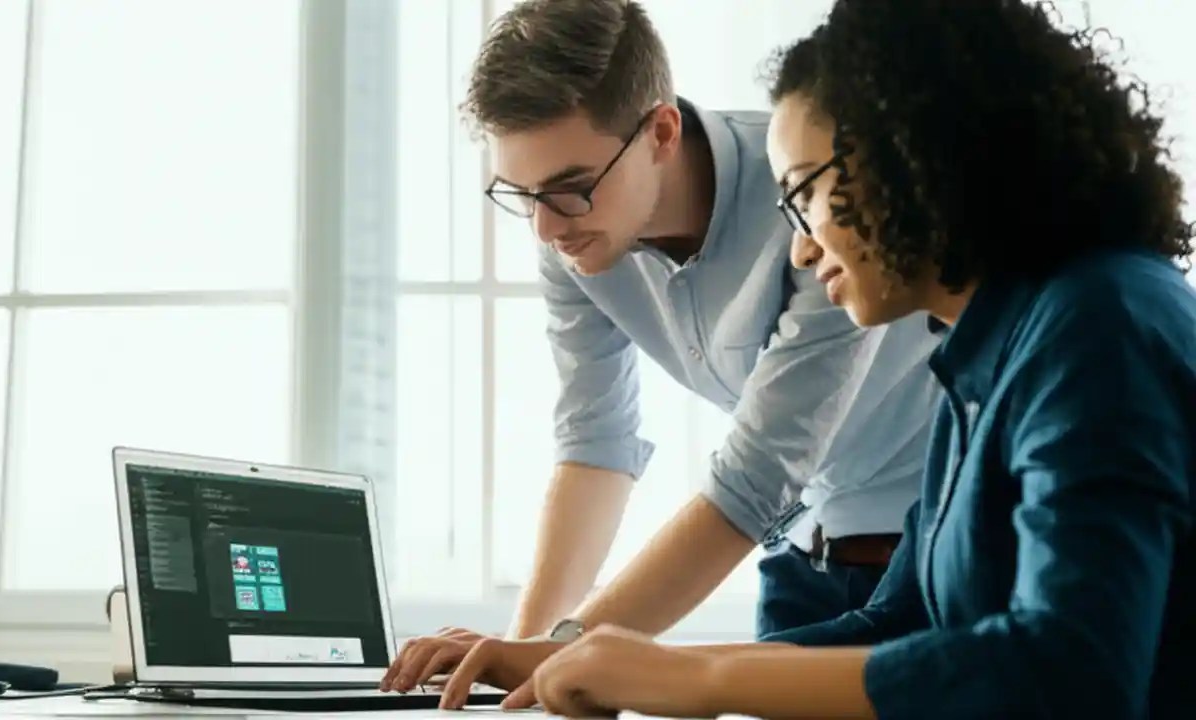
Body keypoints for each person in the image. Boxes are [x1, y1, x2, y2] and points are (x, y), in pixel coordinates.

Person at [512, 0, 1196, 717]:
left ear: (914, 154)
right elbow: (895, 624)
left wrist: (700, 683)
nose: (802, 248)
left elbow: (1072, 668)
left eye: (806, 192)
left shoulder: (1101, 323)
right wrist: (619, 663)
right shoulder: (984, 358)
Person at [380, 0, 943, 707]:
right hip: (801, 564)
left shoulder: (815, 194)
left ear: (661, 131)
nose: (546, 226)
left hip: (929, 555)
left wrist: (560, 651)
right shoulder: (574, 240)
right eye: (521, 195)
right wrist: (517, 675)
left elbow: (757, 474)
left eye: (570, 188)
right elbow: (596, 446)